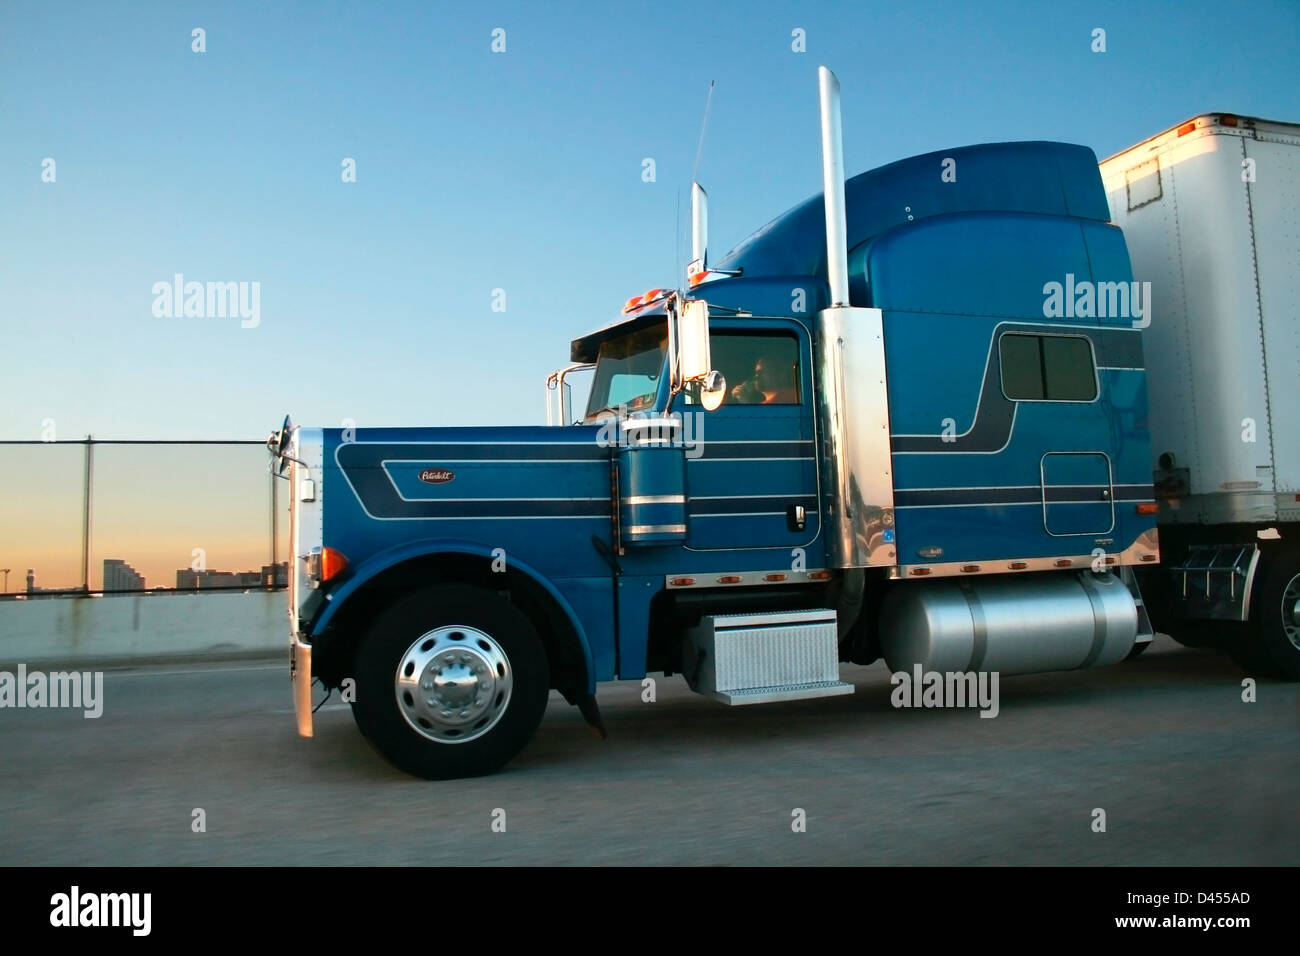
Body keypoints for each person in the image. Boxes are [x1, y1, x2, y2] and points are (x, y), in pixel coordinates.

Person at [730, 355, 798, 404]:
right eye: (756, 372)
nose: (756, 376)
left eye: (762, 371)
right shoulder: (762, 405)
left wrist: (747, 403)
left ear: (777, 374)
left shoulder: (791, 396)